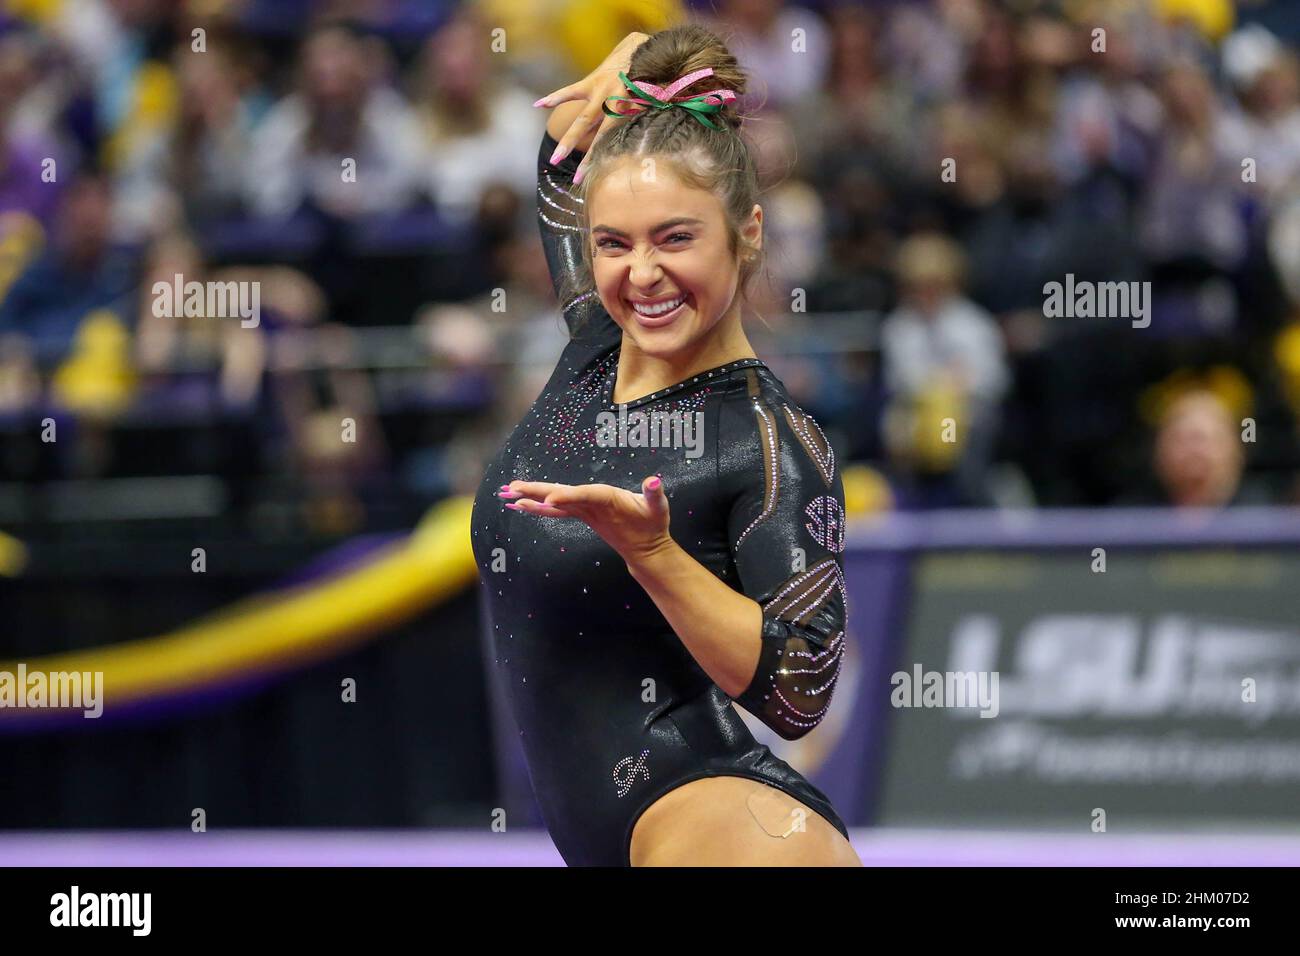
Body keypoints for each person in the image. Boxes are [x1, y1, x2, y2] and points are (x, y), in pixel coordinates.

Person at [470, 26, 860, 866]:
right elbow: (564, 153)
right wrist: (634, 57)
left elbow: (801, 689)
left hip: (725, 829)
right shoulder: (591, 345)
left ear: (747, 234)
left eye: (676, 238)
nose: (640, 274)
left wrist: (653, 552)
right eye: (614, 243)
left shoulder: (766, 440)